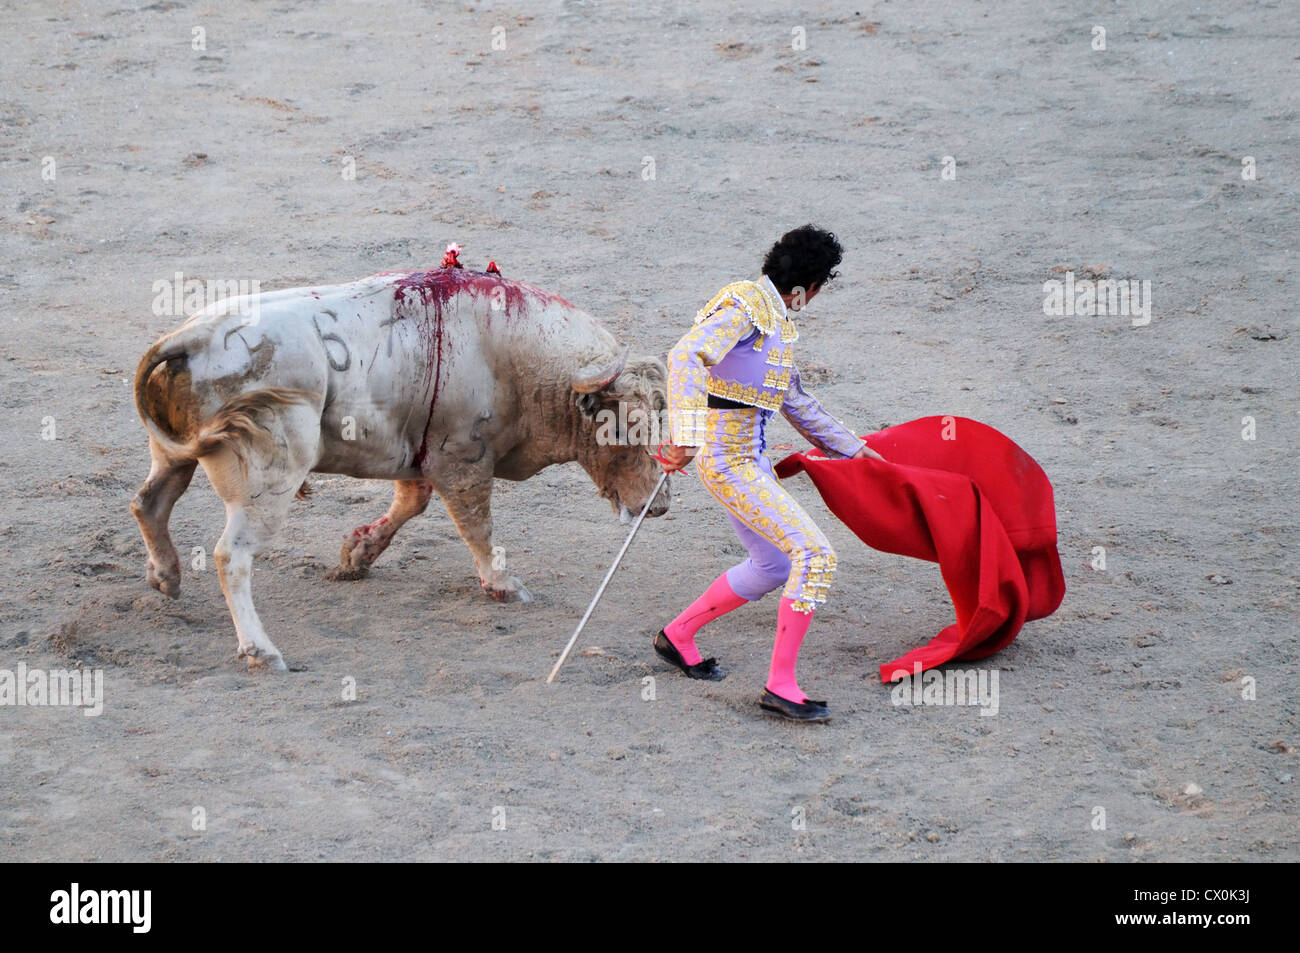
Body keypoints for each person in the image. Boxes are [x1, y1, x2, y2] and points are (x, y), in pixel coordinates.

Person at [655, 225, 883, 722]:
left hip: (749, 462)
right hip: (727, 462)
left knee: (774, 566)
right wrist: (686, 437)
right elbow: (685, 355)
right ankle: (780, 686)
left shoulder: (773, 320)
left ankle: (677, 635)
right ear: (806, 288)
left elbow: (796, 401)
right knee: (815, 555)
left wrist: (859, 452)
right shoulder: (744, 308)